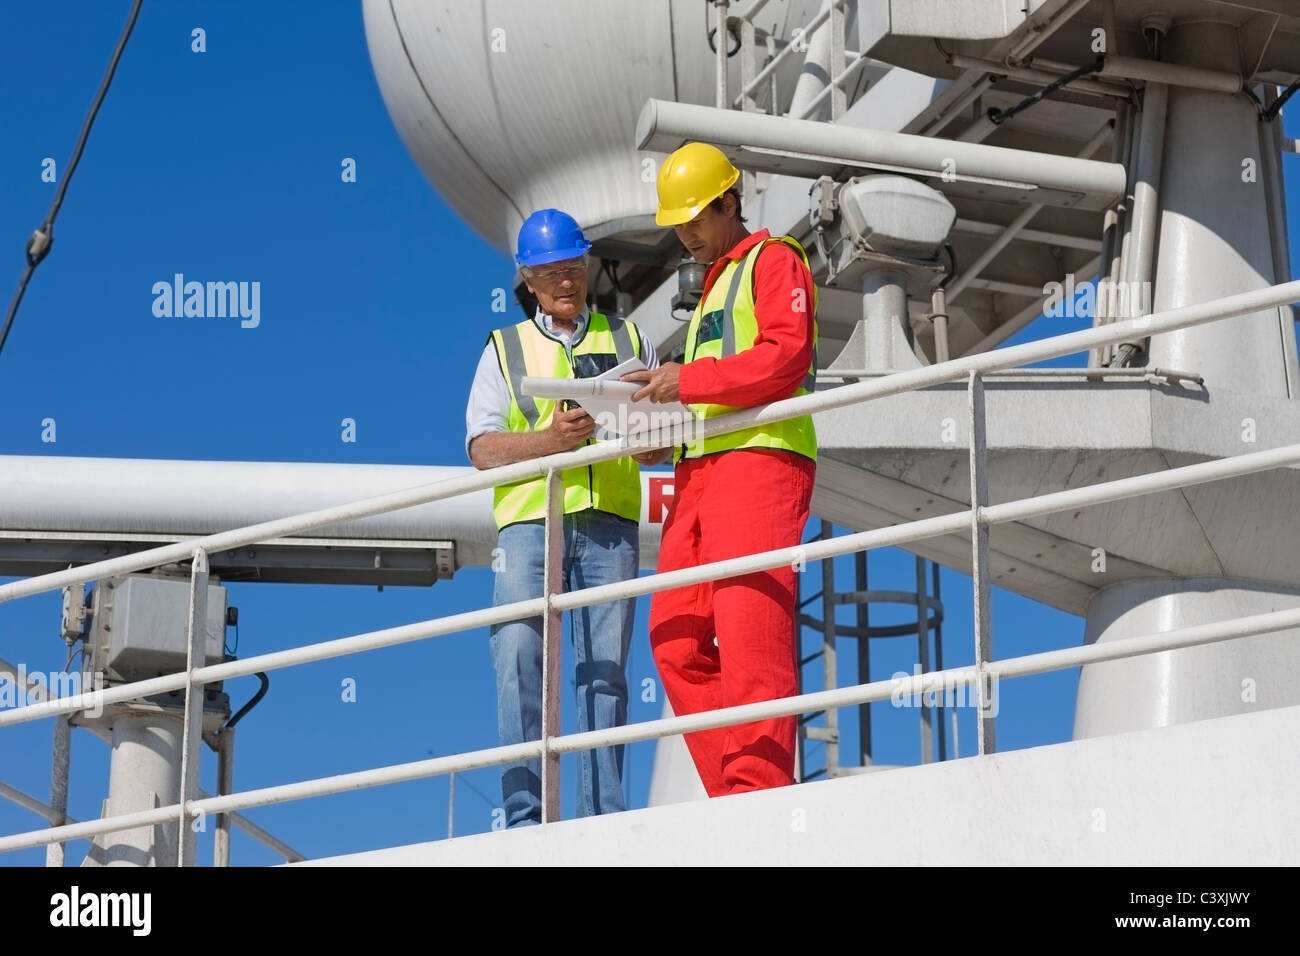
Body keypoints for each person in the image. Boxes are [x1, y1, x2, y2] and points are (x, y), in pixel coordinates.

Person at [623, 142, 818, 798]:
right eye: (677, 226)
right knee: (674, 638)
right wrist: (660, 437)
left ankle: (754, 803)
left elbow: (784, 358)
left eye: (696, 222)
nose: (686, 237)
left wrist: (688, 382)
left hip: (759, 463)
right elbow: (711, 391)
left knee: (750, 637)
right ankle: (741, 791)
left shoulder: (775, 259)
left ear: (731, 203)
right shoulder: (709, 291)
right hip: (699, 475)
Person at [466, 207, 660, 827]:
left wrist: (644, 435)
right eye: (551, 273)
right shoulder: (505, 348)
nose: (566, 283)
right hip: (530, 525)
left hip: (609, 522)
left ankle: (603, 816)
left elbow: (661, 439)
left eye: (574, 267)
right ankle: (526, 820)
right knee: (520, 660)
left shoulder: (631, 341)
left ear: (588, 265)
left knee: (606, 675)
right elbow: (481, 447)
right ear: (527, 278)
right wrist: (550, 442)